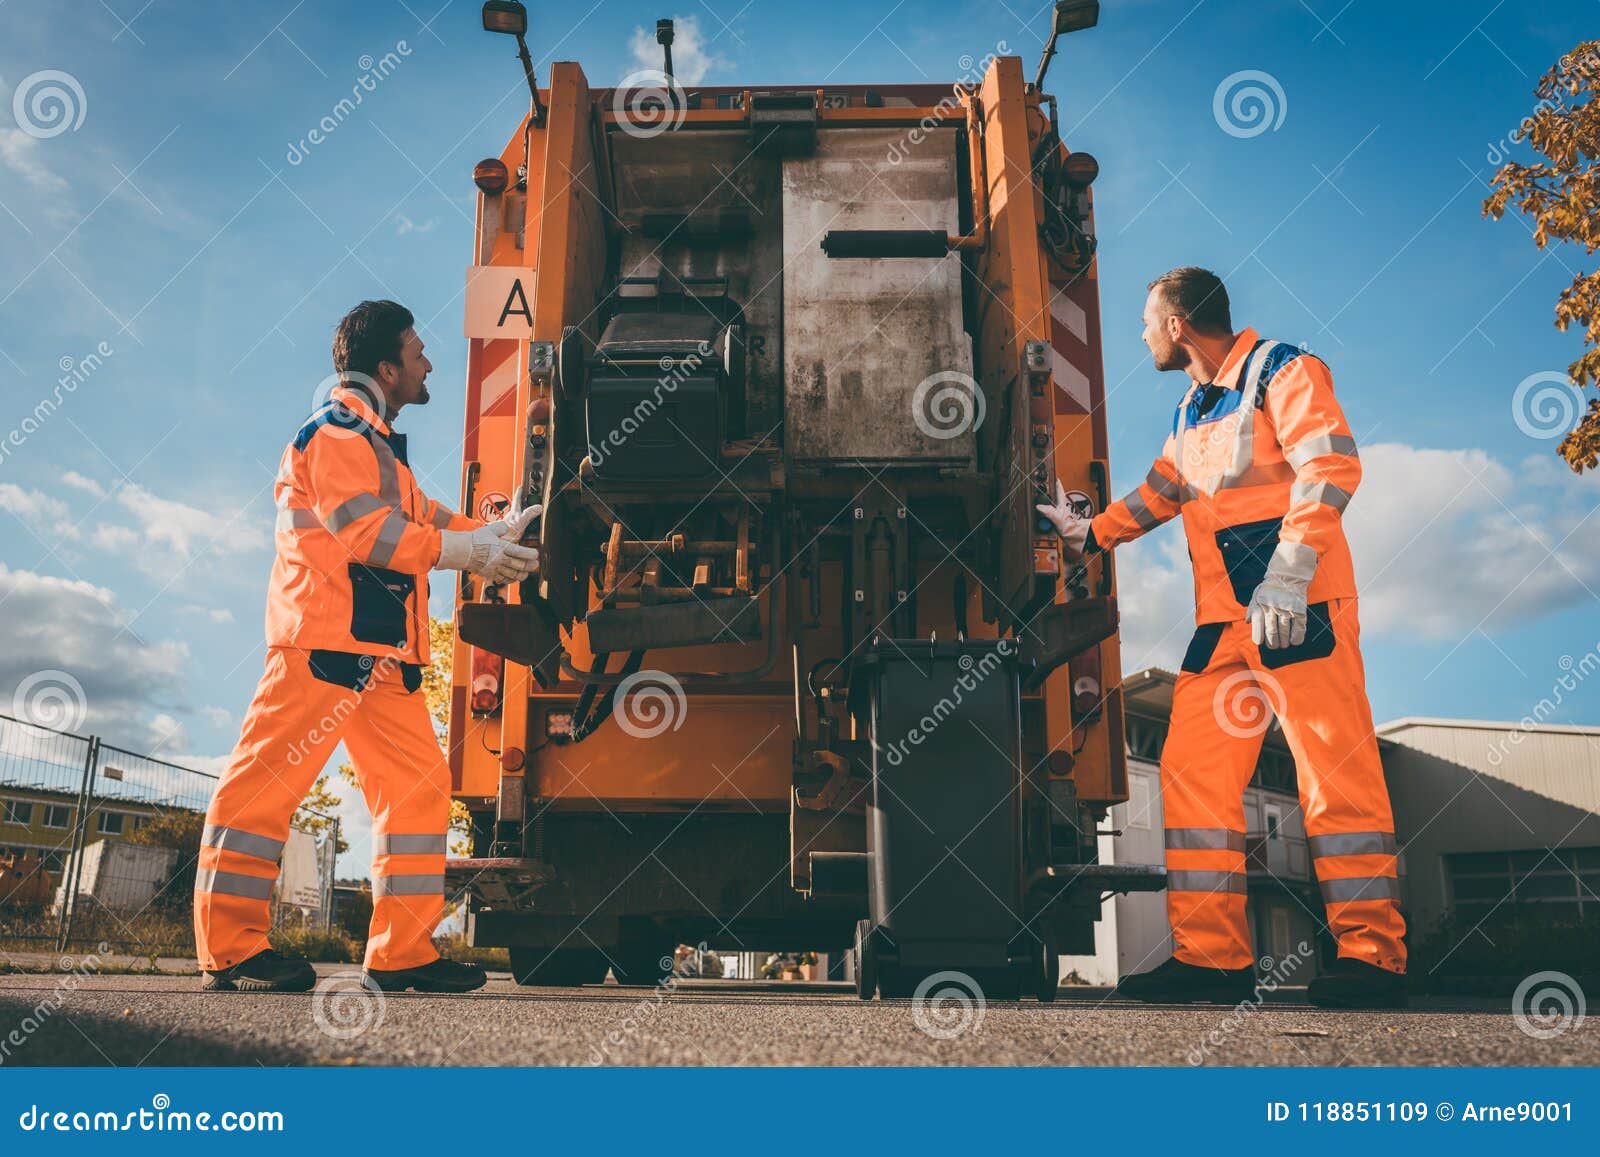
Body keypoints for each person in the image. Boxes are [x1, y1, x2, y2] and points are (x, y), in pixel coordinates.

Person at [1036, 268, 1407, 1009]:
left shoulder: (1285, 369)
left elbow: (1330, 465)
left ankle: (1372, 954)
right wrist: (1091, 533)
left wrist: (1291, 573)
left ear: (1177, 326)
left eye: (1147, 322)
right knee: (1193, 771)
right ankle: (1213, 958)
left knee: (1334, 774)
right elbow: (1163, 492)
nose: (1141, 334)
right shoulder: (1190, 412)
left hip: (1300, 612)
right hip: (1228, 627)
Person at [194, 300, 540, 993]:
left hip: (379, 660)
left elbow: (421, 517)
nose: (428, 363)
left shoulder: (377, 447)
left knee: (418, 793)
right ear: (386, 368)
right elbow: (367, 534)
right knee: (263, 790)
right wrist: (464, 550)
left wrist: (491, 534)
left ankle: (402, 951)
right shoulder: (337, 432)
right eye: (417, 353)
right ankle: (231, 948)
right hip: (320, 647)